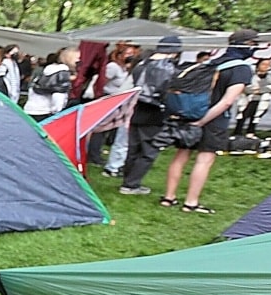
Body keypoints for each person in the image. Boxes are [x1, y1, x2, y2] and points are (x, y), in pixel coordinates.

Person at [161, 29, 257, 214]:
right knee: (204, 160)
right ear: (246, 45)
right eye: (253, 44)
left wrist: (195, 120)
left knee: (181, 156)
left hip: (191, 113)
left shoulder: (212, 63)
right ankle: (191, 203)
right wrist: (202, 121)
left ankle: (168, 197)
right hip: (213, 120)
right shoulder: (241, 68)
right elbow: (228, 100)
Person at [119, 36, 183, 195]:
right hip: (154, 113)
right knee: (149, 150)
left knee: (133, 149)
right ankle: (131, 184)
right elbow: (167, 93)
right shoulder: (168, 68)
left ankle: (128, 181)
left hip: (136, 110)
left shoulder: (141, 64)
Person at [98, 42, 139, 177]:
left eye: (133, 54)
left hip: (123, 103)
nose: (131, 56)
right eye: (128, 54)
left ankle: (114, 164)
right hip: (110, 100)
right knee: (99, 128)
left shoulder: (128, 69)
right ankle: (109, 164)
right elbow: (102, 82)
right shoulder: (113, 67)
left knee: (119, 134)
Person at [23, 47, 77, 122]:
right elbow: (58, 95)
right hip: (45, 112)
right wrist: (56, 111)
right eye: (78, 57)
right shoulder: (62, 72)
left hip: (31, 109)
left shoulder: (49, 70)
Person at [234, 59, 271, 136]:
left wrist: (259, 90)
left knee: (256, 116)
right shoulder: (250, 75)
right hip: (248, 100)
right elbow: (245, 87)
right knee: (243, 115)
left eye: (268, 64)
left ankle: (251, 132)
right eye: (264, 64)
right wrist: (255, 90)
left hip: (262, 101)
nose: (266, 66)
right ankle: (237, 132)